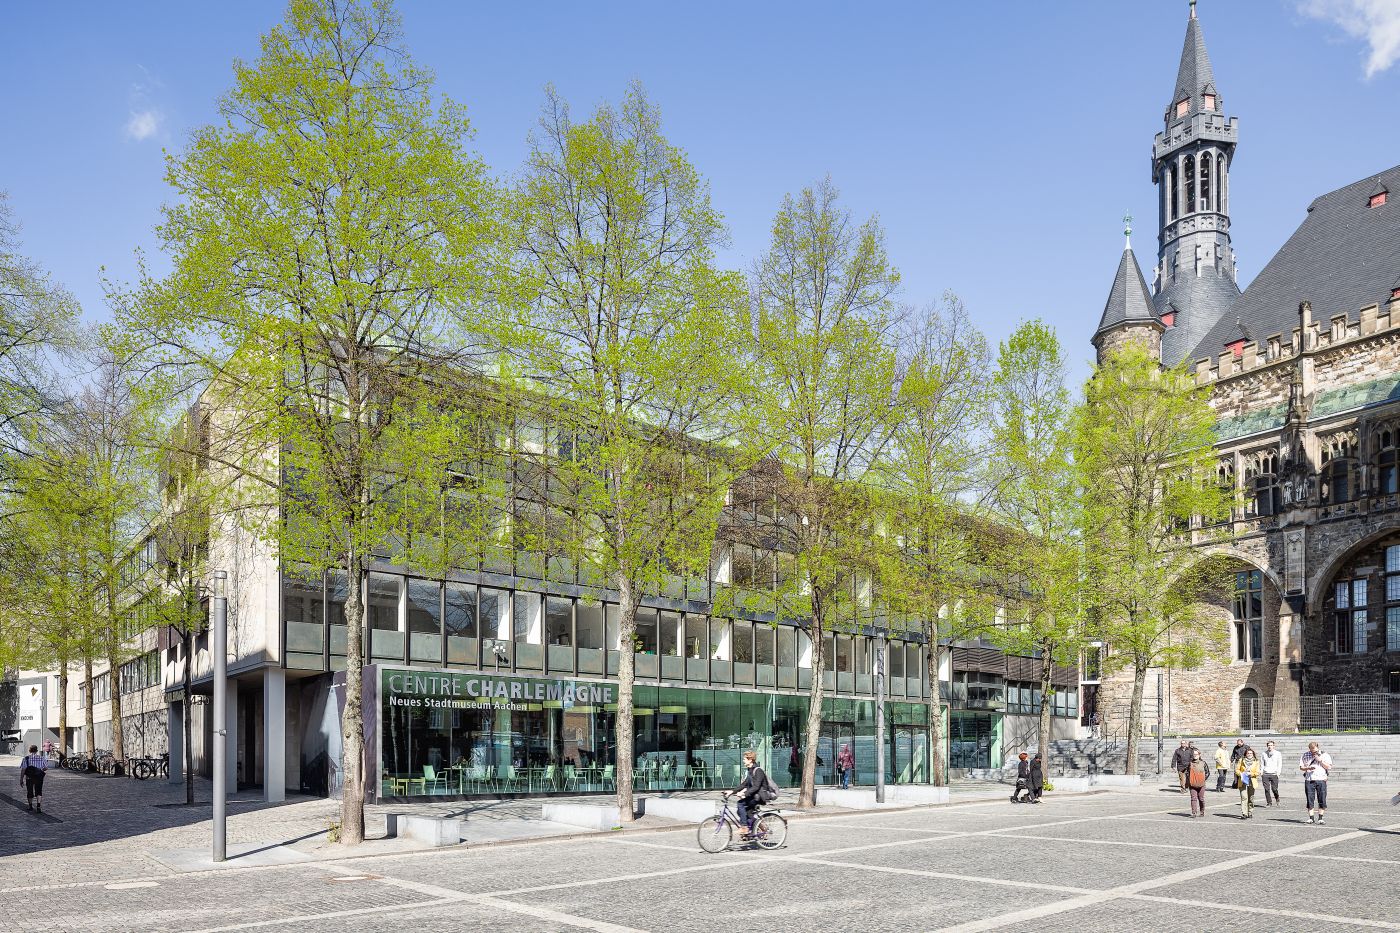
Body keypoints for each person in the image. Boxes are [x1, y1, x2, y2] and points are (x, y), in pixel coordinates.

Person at [728, 750, 772, 837]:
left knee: (740, 804)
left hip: (759, 796)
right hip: (754, 795)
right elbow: (744, 784)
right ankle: (761, 830)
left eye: (744, 759)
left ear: (750, 760)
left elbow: (756, 787)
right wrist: (732, 791)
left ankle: (744, 828)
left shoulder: (758, 771)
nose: (743, 761)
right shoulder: (750, 770)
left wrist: (744, 794)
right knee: (744, 812)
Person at [1299, 741, 1332, 824]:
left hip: (1321, 779)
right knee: (1310, 799)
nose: (1313, 753)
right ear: (1309, 749)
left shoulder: (1325, 755)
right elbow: (1301, 767)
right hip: (1309, 779)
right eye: (1312, 751)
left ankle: (1320, 818)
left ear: (1318, 748)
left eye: (1315, 751)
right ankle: (1311, 818)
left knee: (1322, 798)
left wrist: (1320, 761)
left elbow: (1329, 767)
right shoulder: (1305, 755)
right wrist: (1307, 768)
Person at [1234, 746, 1262, 819]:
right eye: (1248, 753)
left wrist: (1251, 774)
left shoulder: (1256, 761)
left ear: (1253, 754)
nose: (1249, 754)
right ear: (1245, 754)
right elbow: (1237, 770)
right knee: (1244, 797)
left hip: (1252, 781)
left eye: (1251, 753)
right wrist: (1242, 774)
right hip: (1243, 781)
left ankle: (1250, 812)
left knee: (1251, 798)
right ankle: (1244, 813)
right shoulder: (1241, 760)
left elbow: (1257, 772)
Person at [19, 744, 47, 812]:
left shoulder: (26, 758)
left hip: (29, 778)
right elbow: (46, 767)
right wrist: (40, 770)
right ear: (37, 751)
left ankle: (30, 806)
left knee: (30, 791)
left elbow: (23, 770)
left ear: (29, 751)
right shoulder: (42, 758)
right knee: (39, 791)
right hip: (39, 777)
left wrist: (21, 779)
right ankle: (38, 806)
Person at [1185, 747, 1212, 818]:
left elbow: (1207, 772)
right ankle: (1194, 813)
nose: (1195, 755)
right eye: (1194, 754)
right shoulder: (1190, 763)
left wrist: (1203, 779)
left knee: (1201, 798)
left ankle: (1202, 811)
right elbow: (1187, 772)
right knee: (1193, 798)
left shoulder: (1203, 763)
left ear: (1199, 755)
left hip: (1201, 784)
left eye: (1196, 754)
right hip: (1192, 784)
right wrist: (1190, 779)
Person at [1260, 740, 1283, 807]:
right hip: (1265, 774)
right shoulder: (1264, 753)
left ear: (1274, 746)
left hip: (1274, 774)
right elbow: (1262, 763)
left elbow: (1279, 764)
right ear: (1267, 746)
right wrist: (1261, 772)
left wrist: (1278, 773)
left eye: (1271, 745)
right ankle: (1269, 802)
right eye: (1269, 745)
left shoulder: (1278, 753)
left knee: (1274, 789)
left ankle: (1277, 798)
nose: (1270, 746)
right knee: (1266, 789)